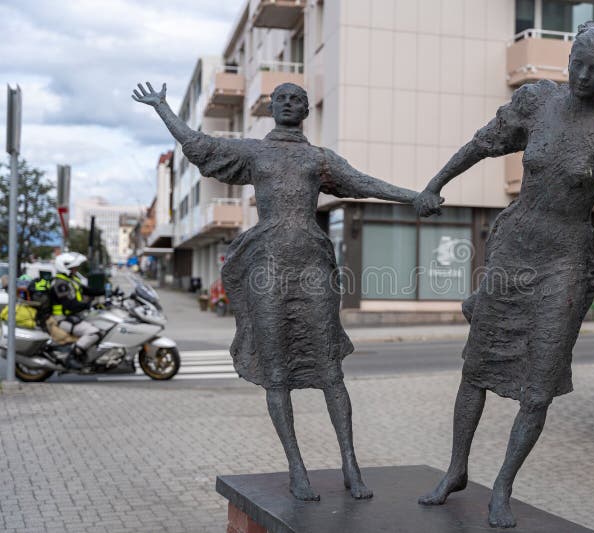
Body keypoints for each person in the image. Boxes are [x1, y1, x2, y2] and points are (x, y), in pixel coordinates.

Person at [414, 22, 594, 528]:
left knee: (538, 384)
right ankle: (456, 470)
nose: (581, 74)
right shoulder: (537, 103)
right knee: (477, 369)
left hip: (564, 260)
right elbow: (482, 143)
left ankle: (504, 486)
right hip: (514, 249)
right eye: (577, 62)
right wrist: (435, 184)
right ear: (569, 56)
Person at [132, 81, 432, 501]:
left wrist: (414, 196)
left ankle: (350, 463)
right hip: (268, 267)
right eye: (282, 99)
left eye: (297, 100)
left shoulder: (319, 159)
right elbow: (199, 145)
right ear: (272, 107)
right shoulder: (255, 152)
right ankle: (297, 467)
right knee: (277, 371)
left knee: (330, 371)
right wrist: (163, 108)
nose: (289, 104)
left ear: (306, 110)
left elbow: (364, 182)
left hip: (311, 265)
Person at [51, 252, 102, 370]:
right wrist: (88, 304)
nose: (76, 269)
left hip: (73, 315)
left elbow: (87, 290)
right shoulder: (60, 284)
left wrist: (107, 292)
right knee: (95, 332)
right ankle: (72, 357)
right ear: (65, 267)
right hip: (62, 319)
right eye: (73, 267)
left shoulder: (70, 280)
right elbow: (70, 305)